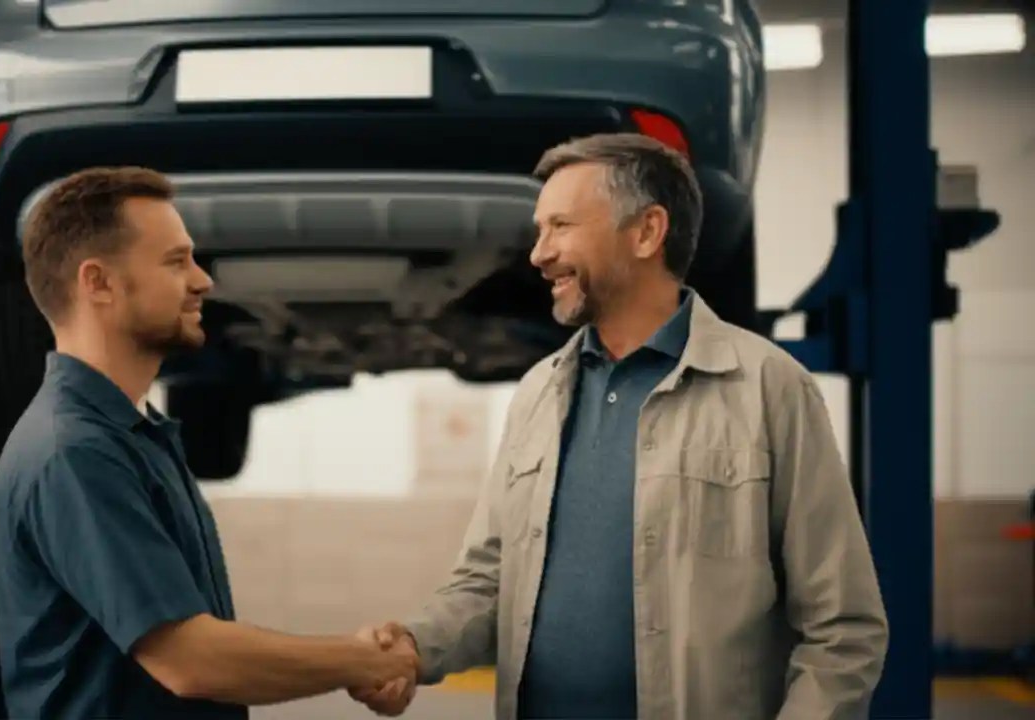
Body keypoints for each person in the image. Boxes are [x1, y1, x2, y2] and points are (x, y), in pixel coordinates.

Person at [351, 133, 889, 720]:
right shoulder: (539, 393)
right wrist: (413, 647)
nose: (538, 253)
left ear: (646, 232)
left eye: (561, 226)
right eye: (539, 230)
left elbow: (843, 630)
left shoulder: (766, 387)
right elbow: (488, 582)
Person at [0, 167, 417, 720]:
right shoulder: (73, 452)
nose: (202, 281)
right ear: (98, 283)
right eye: (175, 261)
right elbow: (190, 660)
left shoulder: (133, 436)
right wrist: (362, 661)